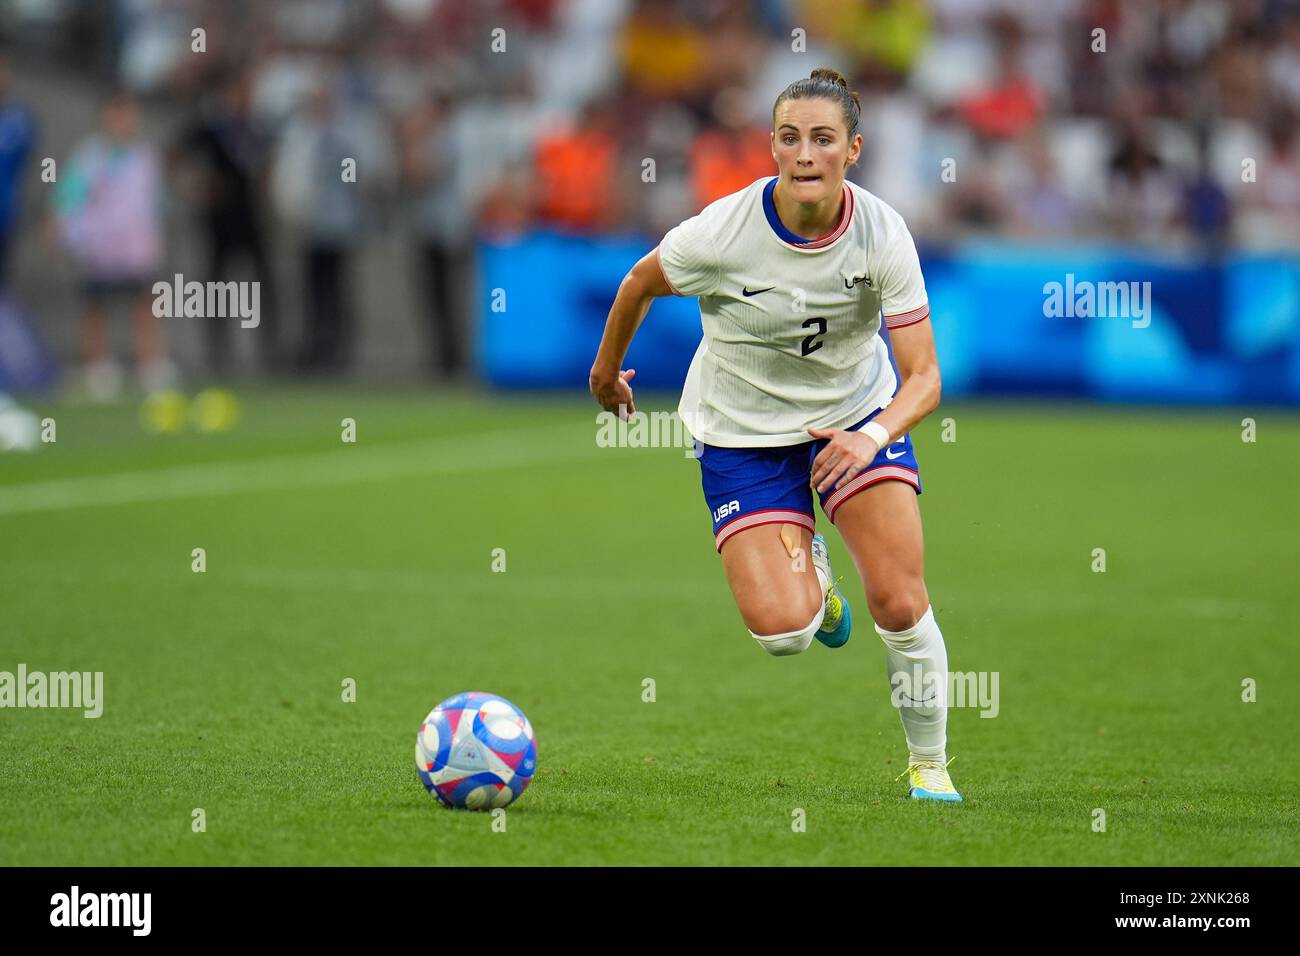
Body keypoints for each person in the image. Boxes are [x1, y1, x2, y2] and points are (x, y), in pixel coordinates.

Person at [589, 68, 961, 802]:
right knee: (783, 634)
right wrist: (605, 376)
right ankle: (815, 588)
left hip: (856, 416)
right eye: (790, 137)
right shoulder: (723, 232)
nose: (805, 153)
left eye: (823, 139)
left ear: (852, 149)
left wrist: (871, 435)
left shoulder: (883, 234)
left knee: (898, 600)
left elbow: (924, 378)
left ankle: (930, 765)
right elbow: (637, 283)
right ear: (773, 147)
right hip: (741, 431)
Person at [55, 91, 172, 399]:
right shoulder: (89, 157)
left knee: (145, 305)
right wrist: (73, 235)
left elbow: (156, 201)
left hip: (136, 247)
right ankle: (98, 369)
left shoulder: (145, 156)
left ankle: (152, 366)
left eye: (130, 114)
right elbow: (69, 199)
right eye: (118, 114)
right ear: (107, 118)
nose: (124, 121)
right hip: (101, 247)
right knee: (96, 307)